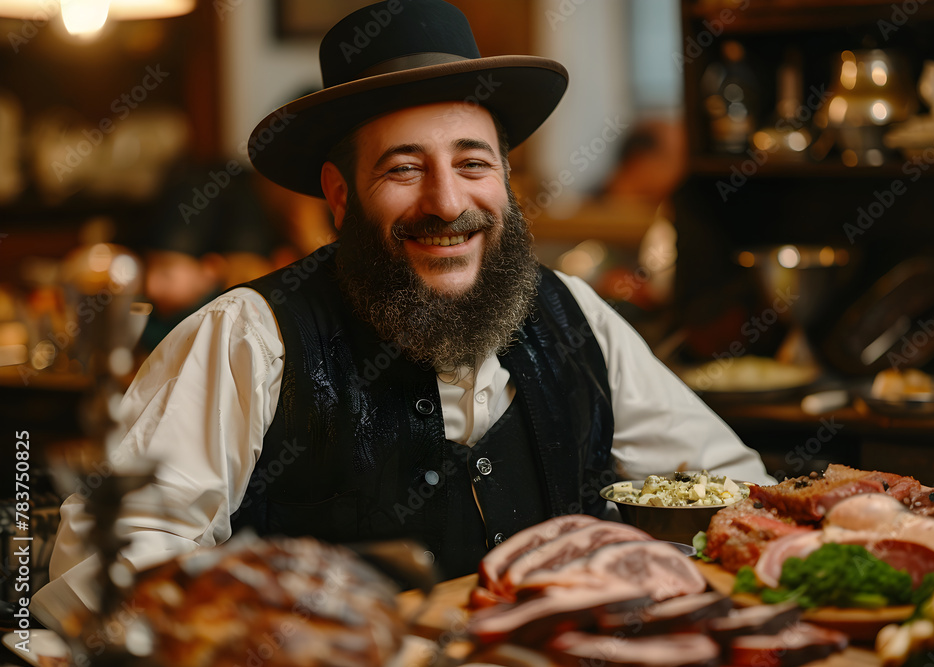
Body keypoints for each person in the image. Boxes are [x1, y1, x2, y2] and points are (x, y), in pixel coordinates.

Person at [31, 0, 771, 630]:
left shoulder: (572, 314)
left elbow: (727, 487)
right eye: (404, 167)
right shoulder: (249, 338)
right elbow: (101, 576)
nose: (448, 203)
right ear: (341, 193)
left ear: (507, 180)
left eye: (474, 163)